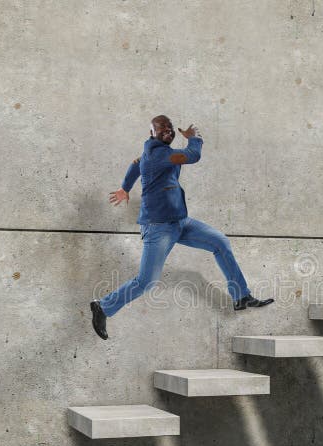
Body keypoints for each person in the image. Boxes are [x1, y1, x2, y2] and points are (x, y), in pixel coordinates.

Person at [90, 115, 274, 340]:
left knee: (220, 243)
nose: (167, 130)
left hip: (180, 222)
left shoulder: (154, 153)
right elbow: (193, 156)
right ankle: (103, 307)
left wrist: (124, 188)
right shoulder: (160, 154)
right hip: (158, 228)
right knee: (146, 281)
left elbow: (135, 164)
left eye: (169, 127)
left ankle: (241, 296)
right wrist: (195, 138)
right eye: (161, 128)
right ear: (151, 133)